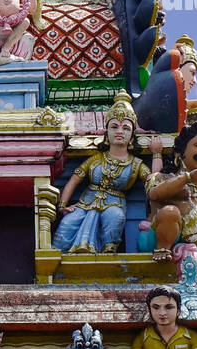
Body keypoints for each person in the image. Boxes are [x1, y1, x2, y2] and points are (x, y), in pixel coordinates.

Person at [54, 92, 162, 254]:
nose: (120, 131)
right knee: (67, 223)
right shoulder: (97, 159)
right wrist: (62, 205)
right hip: (86, 202)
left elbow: (154, 183)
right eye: (114, 126)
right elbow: (75, 179)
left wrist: (156, 154)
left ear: (132, 136)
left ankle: (107, 253)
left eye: (126, 128)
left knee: (116, 218)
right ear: (106, 133)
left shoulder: (135, 164)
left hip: (115, 203)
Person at [142, 115, 197, 286]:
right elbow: (154, 194)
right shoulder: (161, 177)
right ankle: (163, 250)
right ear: (180, 153)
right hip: (162, 241)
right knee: (170, 212)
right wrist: (188, 178)